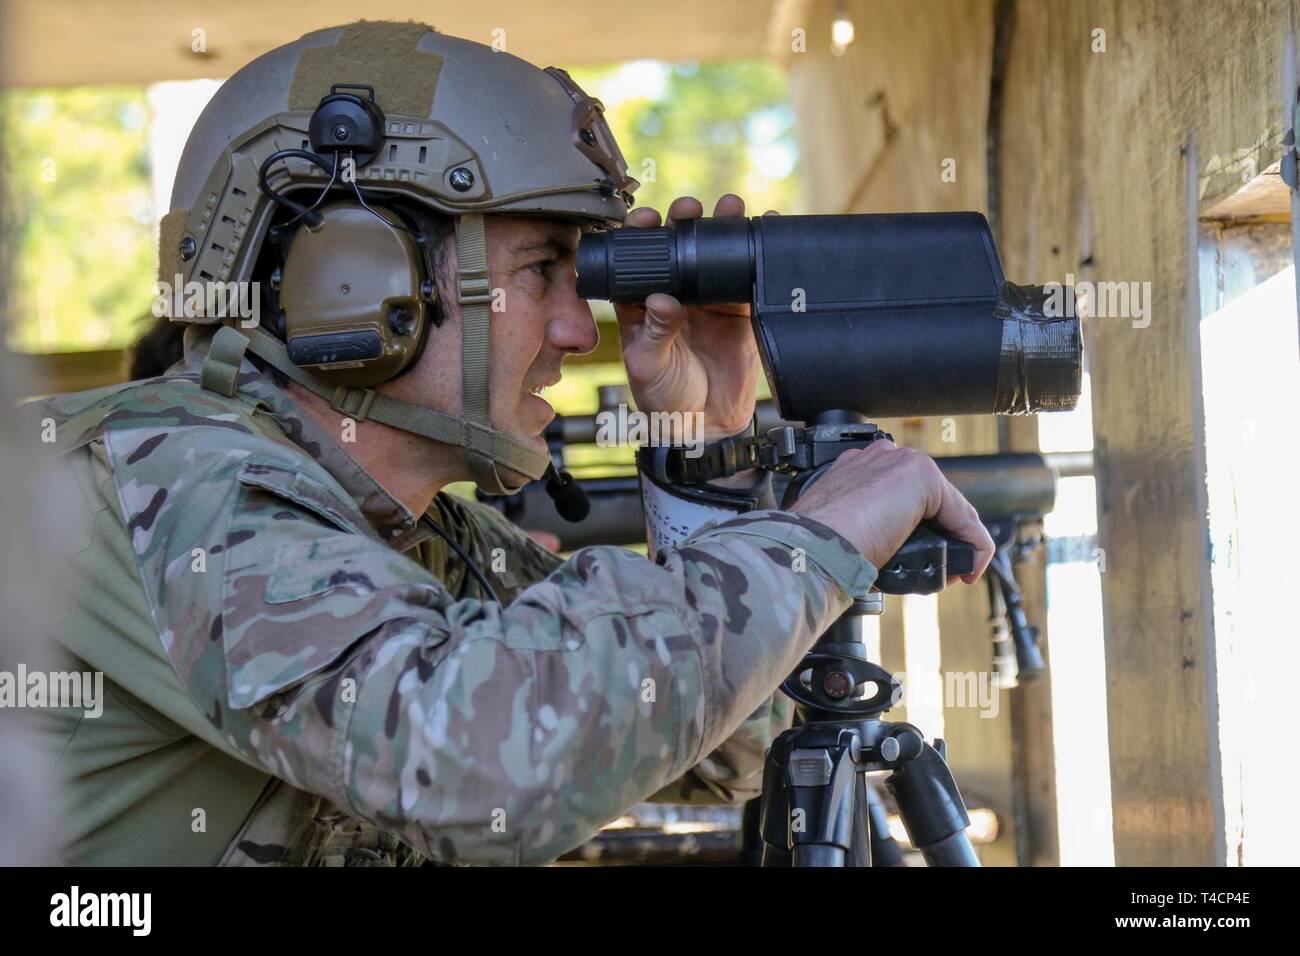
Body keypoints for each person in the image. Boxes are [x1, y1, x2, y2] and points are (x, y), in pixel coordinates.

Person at [33, 20, 992, 865]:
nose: (583, 333)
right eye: (545, 269)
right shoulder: (172, 472)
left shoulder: (417, 537)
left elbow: (730, 745)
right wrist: (816, 536)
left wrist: (701, 447)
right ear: (352, 278)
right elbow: (483, 763)